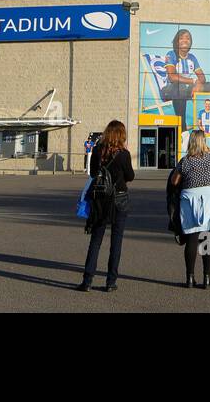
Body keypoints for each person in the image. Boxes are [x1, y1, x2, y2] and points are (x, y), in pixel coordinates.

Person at [77, 120, 136, 292]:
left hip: (100, 199)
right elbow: (130, 176)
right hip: (119, 198)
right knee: (116, 242)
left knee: (96, 240)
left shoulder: (97, 150)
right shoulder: (124, 154)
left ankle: (87, 280)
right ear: (121, 135)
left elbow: (94, 173)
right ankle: (110, 281)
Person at [172, 130, 210, 289]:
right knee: (206, 237)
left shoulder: (185, 160)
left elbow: (174, 181)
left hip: (190, 199)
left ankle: (190, 277)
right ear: (204, 142)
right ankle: (207, 277)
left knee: (192, 238)